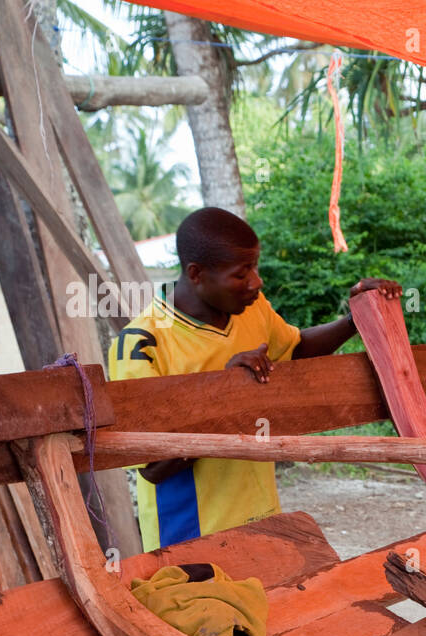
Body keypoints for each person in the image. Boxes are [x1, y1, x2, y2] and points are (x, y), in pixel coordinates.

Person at [108, 206, 401, 550]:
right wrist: (225, 393)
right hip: (191, 540)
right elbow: (154, 467)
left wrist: (355, 318)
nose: (256, 282)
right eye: (241, 273)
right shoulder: (143, 344)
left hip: (261, 520)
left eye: (255, 267)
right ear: (197, 273)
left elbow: (296, 348)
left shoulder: (252, 308)